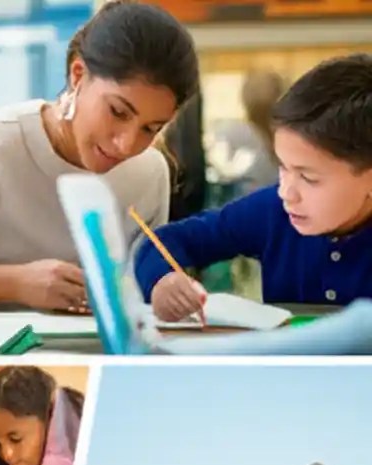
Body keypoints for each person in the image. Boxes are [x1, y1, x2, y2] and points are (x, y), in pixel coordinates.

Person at [0, 0, 199, 313]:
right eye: (117, 111)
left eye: (150, 129)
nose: (126, 145)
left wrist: (160, 284)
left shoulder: (149, 171)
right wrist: (17, 283)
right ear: (77, 76)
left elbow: (132, 288)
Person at [138, 54, 372, 322]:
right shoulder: (272, 212)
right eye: (283, 167)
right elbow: (169, 239)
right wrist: (163, 280)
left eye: (308, 178)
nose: (287, 192)